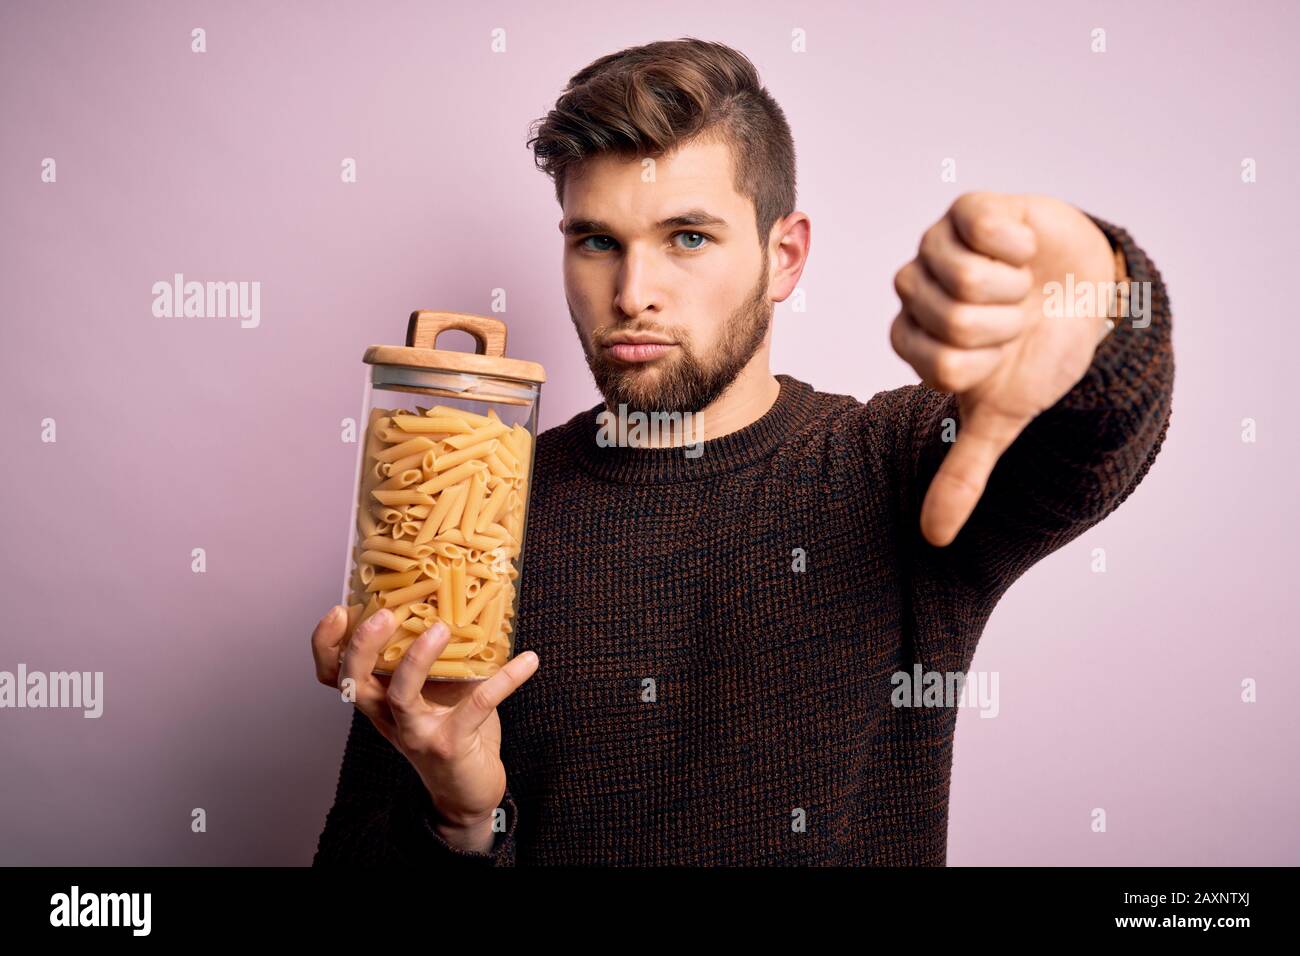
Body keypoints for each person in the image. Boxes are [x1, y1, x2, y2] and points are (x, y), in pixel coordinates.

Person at [310, 37, 1173, 865]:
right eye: (597, 240)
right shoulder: (474, 512)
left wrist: (1100, 298)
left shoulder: (893, 467)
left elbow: (1090, 446)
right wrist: (461, 820)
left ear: (784, 255)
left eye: (687, 237)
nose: (633, 294)